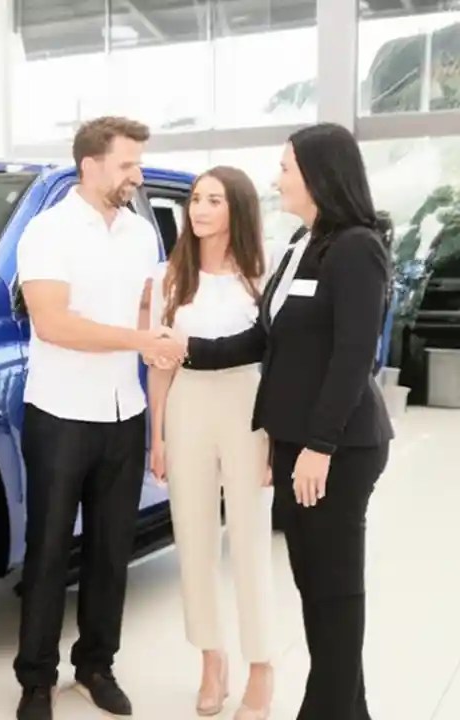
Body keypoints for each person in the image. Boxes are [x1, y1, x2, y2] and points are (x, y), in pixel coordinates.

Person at [155, 122, 395, 720]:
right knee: (316, 592)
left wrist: (319, 445)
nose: (276, 178)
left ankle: (326, 710)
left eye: (285, 168)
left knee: (334, 592)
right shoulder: (299, 246)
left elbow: (353, 355)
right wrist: (192, 351)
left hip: (335, 447)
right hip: (296, 444)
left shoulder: (357, 247)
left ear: (318, 175)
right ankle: (349, 709)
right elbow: (266, 338)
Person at [14, 115, 185, 720]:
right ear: (90, 165)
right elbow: (52, 324)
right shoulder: (47, 231)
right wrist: (140, 339)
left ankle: (96, 666)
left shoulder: (141, 234)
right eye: (126, 165)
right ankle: (36, 680)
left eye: (137, 165)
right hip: (60, 413)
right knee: (49, 550)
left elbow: (149, 305)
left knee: (113, 550)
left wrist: (164, 331)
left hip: (124, 412)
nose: (136, 176)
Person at [146, 166, 276, 719]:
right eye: (196, 199)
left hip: (249, 405)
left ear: (237, 209)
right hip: (188, 404)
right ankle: (211, 659)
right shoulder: (170, 277)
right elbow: (159, 363)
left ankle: (262, 666)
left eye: (213, 200)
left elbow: (278, 358)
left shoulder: (263, 275)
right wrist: (158, 434)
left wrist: (277, 434)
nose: (199, 209)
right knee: (193, 538)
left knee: (249, 541)